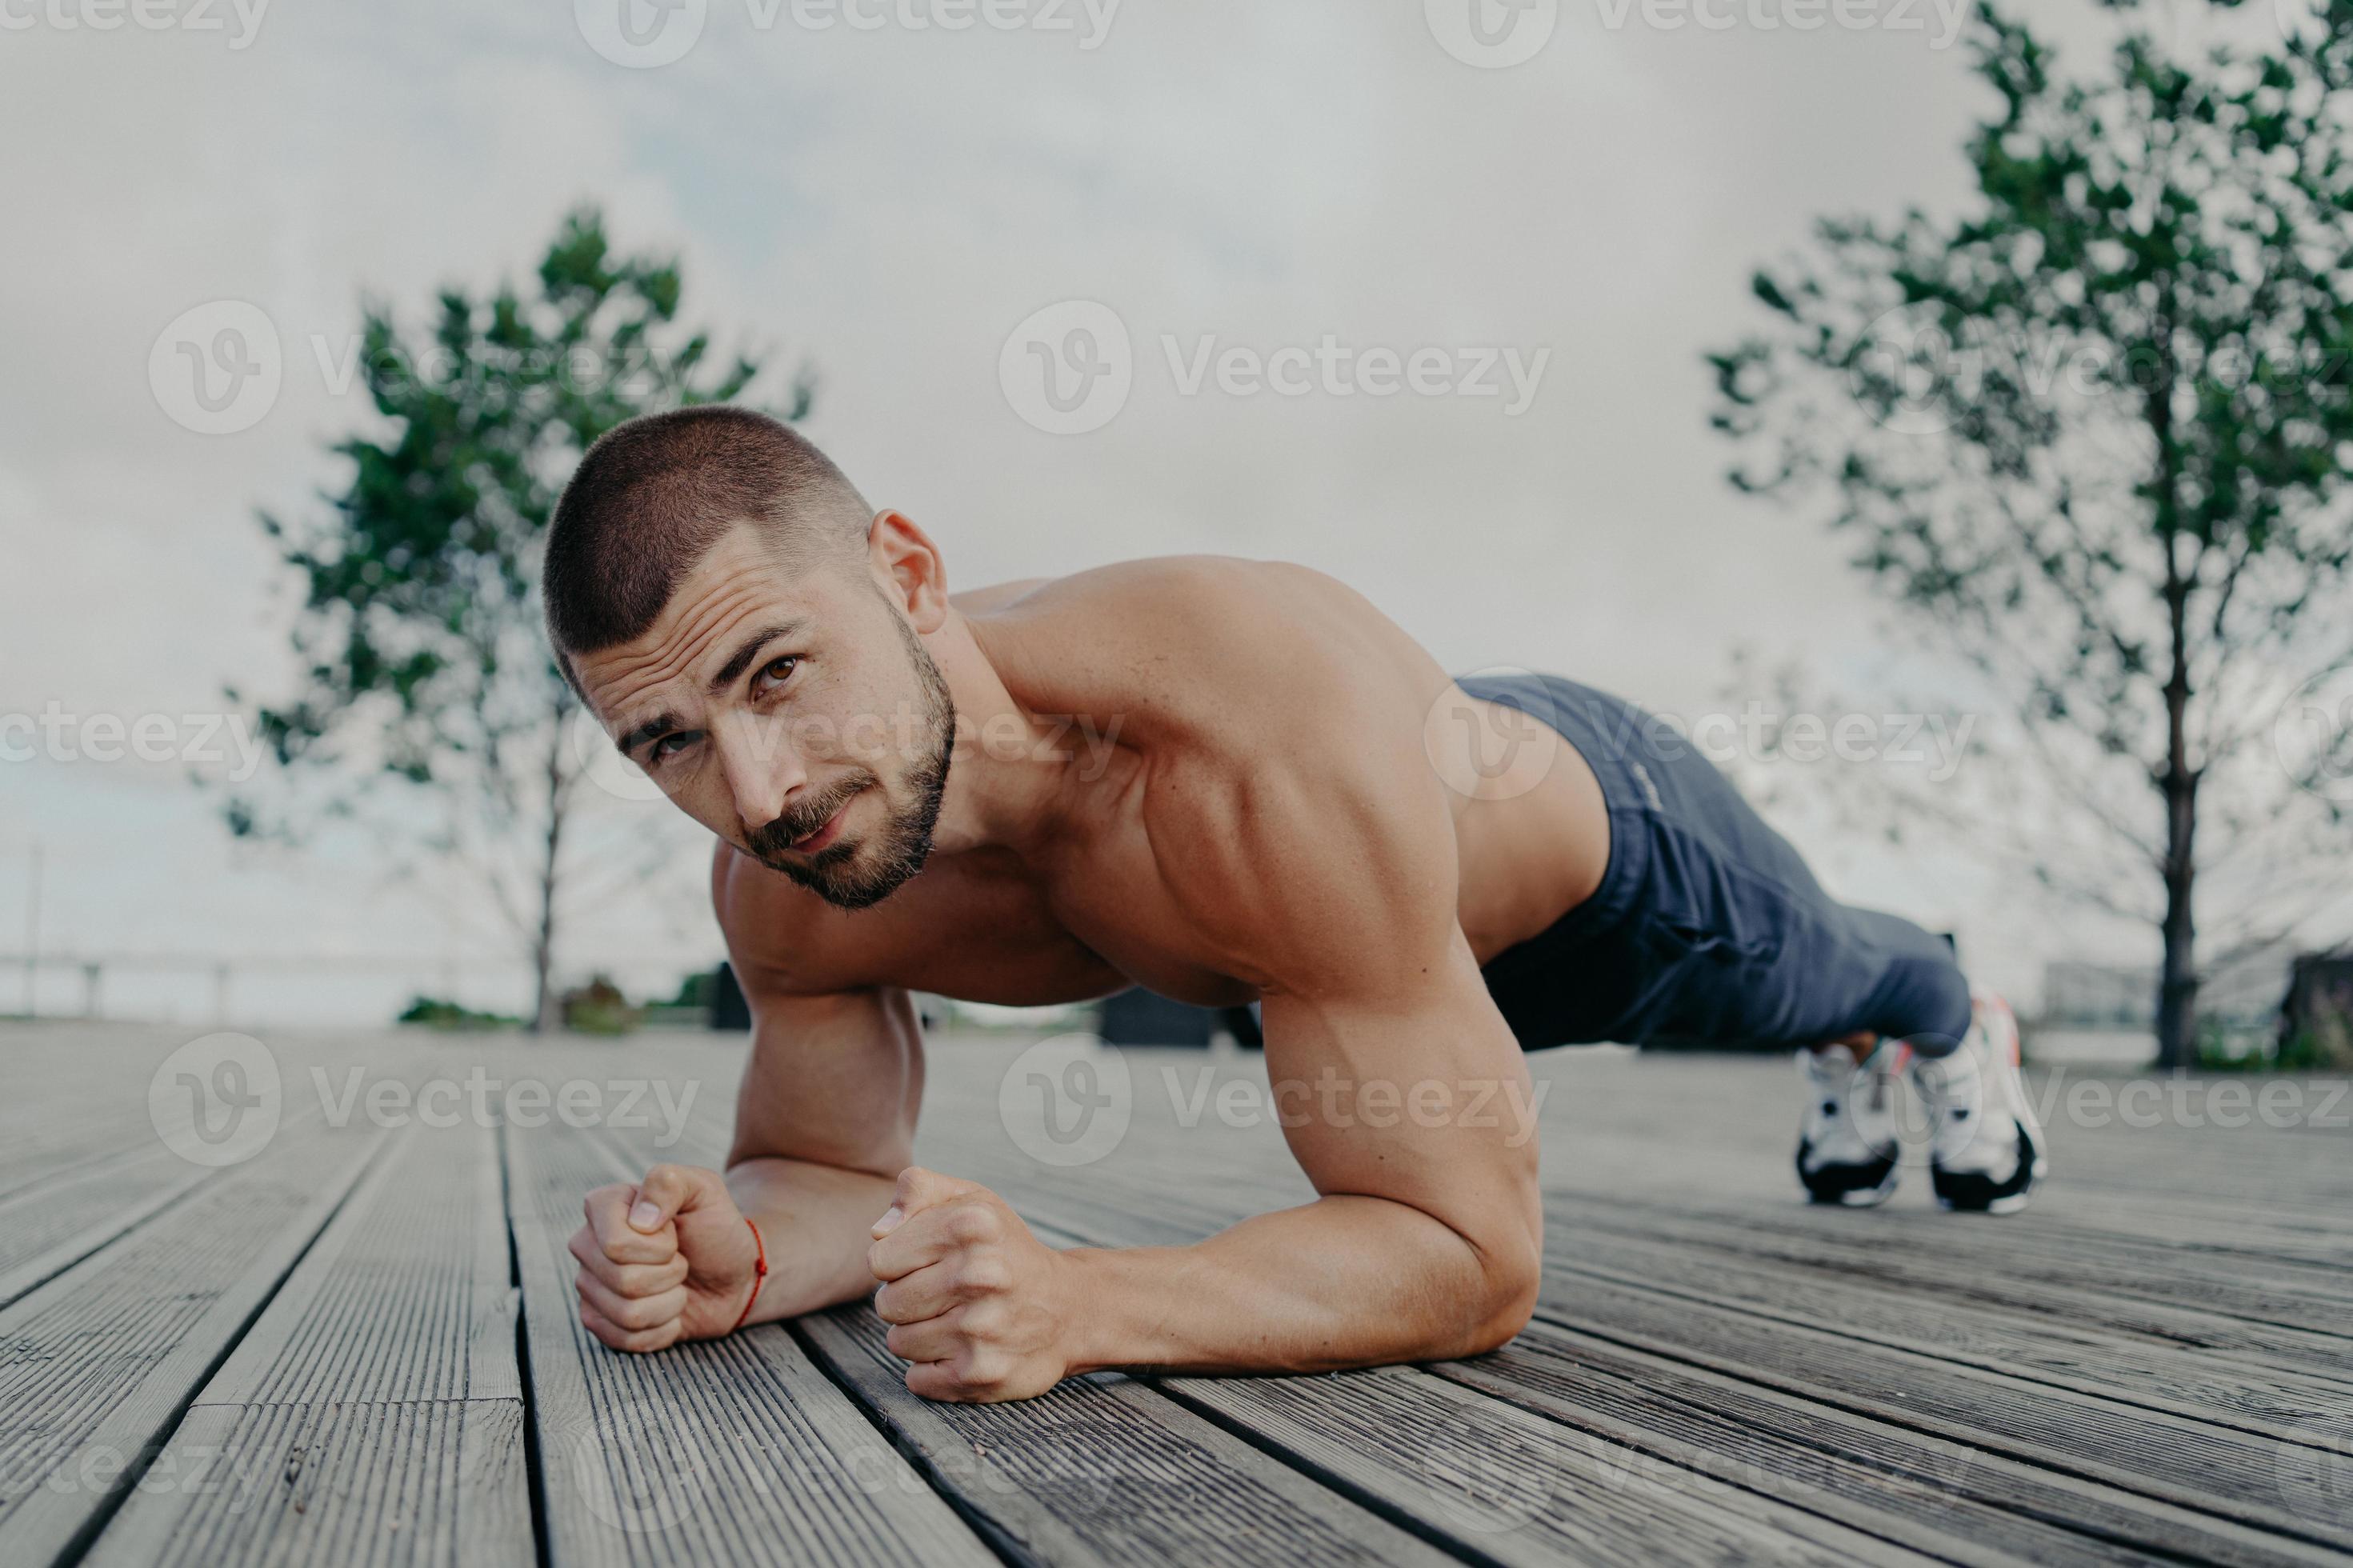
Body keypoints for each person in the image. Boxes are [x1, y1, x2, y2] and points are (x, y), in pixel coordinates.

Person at [546, 406, 2045, 1402]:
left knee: (1838, 971)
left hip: (1602, 869)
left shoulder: (1240, 738)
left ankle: (1940, 1016)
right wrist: (729, 1255)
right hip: (1358, 937)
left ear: (912, 575)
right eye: (667, 741)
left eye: (778, 673)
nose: (754, 793)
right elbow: (819, 1168)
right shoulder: (794, 871)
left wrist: (1084, 1307)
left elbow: (1466, 1259)